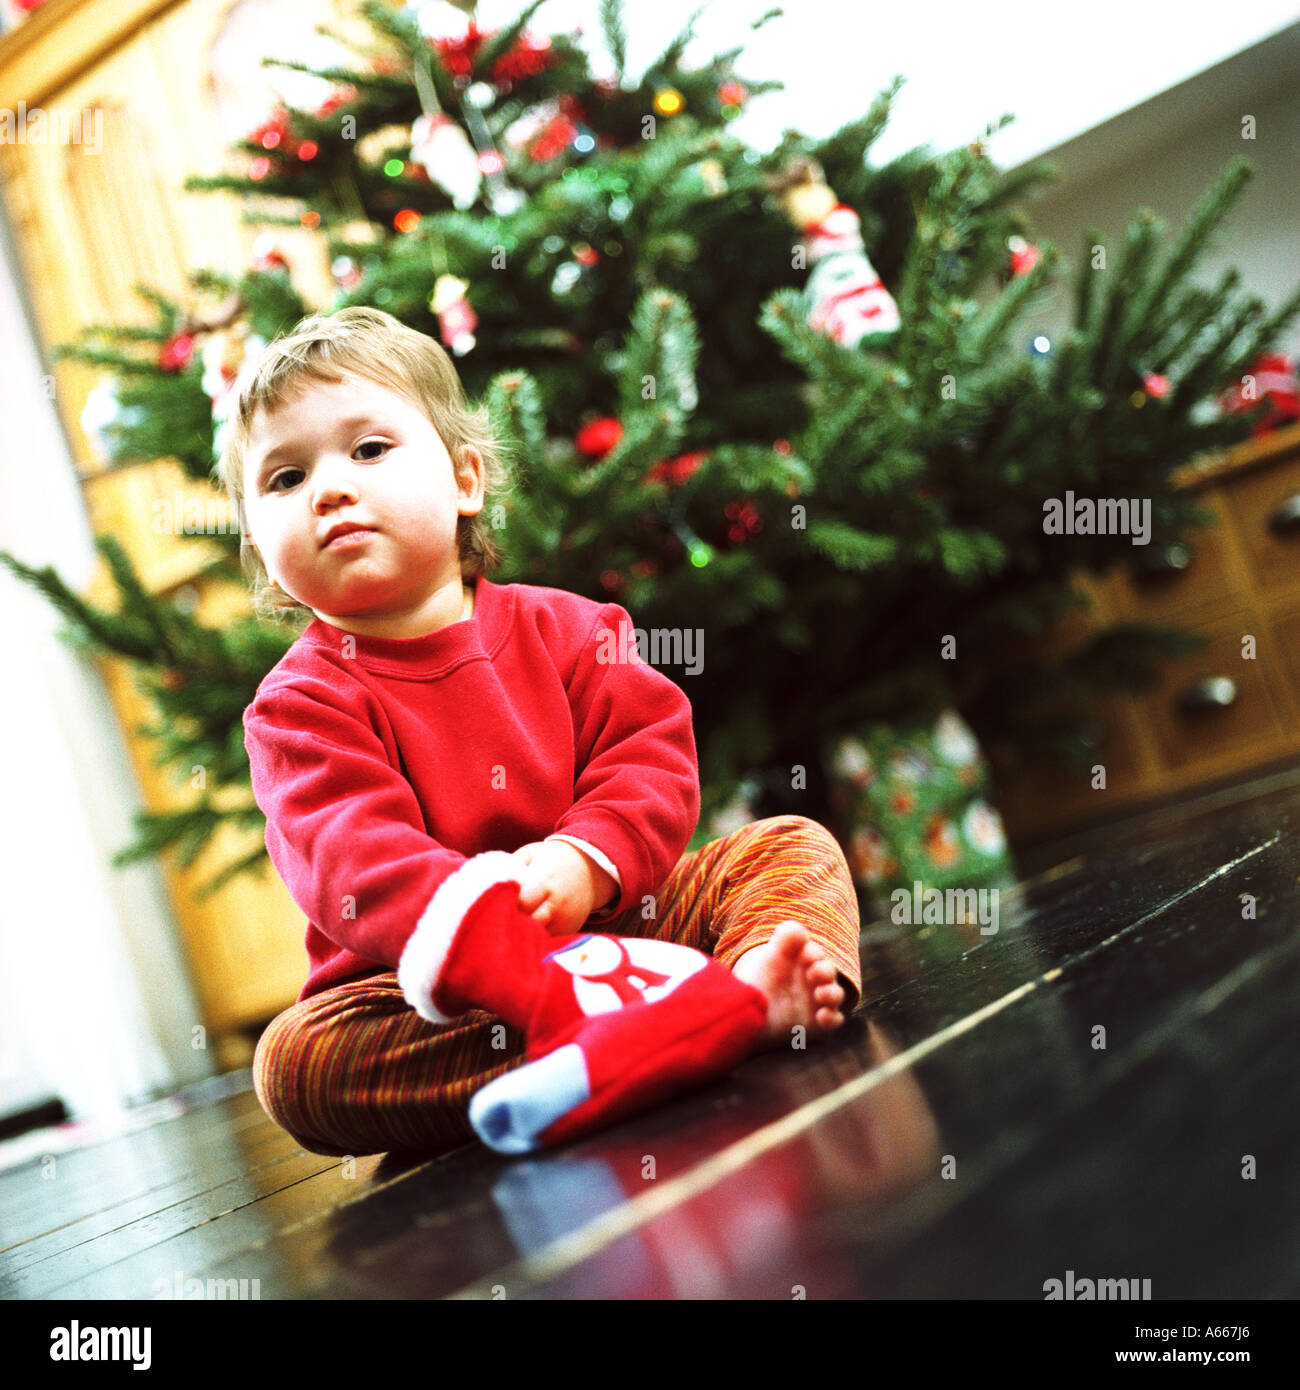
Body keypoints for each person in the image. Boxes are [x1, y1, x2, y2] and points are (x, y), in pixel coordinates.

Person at [218, 305, 863, 1156]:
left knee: (789, 846)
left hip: (624, 931)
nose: (330, 488)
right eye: (284, 479)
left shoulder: (575, 628)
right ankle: (658, 1034)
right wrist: (495, 942)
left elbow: (650, 762)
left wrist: (584, 861)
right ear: (263, 549)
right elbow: (354, 856)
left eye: (369, 450)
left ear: (463, 481)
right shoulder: (297, 706)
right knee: (299, 1065)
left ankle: (747, 997)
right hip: (446, 997)